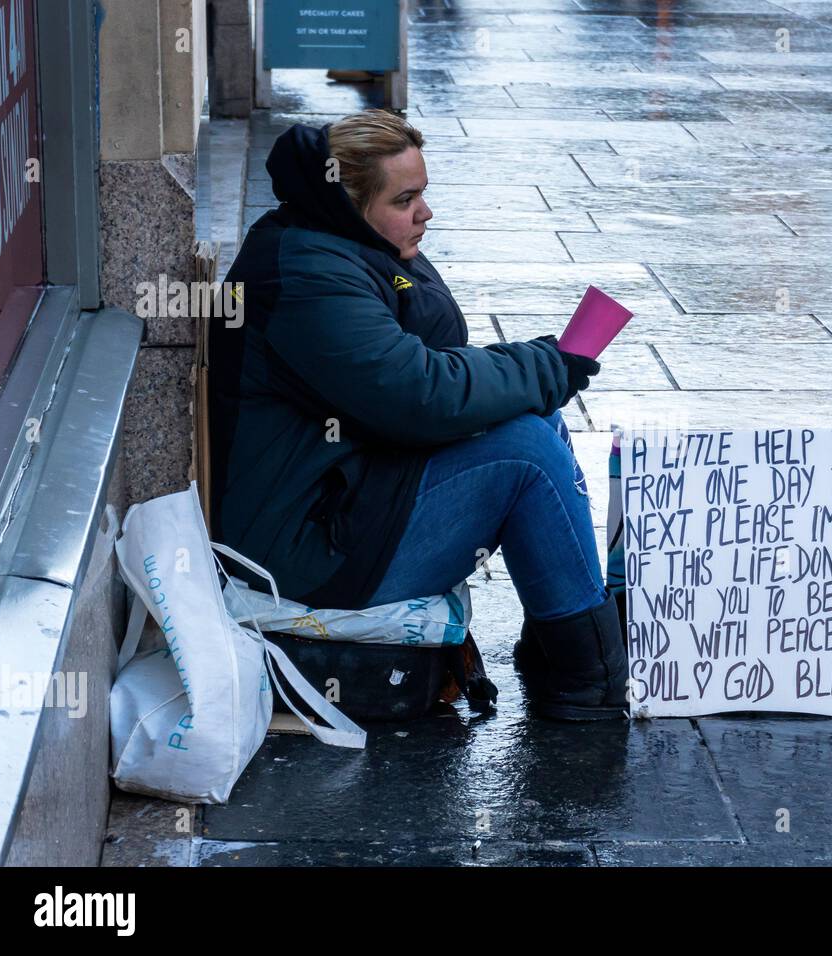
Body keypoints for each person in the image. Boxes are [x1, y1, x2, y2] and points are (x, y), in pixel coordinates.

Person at [207, 109, 628, 720]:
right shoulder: (307, 274)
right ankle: (586, 681)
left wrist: (536, 377)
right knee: (527, 453)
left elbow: (421, 373)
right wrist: (543, 368)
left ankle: (558, 646)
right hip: (307, 547)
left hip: (351, 486)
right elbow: (418, 395)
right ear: (348, 203)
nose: (424, 212)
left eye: (423, 192)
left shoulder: (347, 244)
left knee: (539, 427)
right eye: (405, 199)